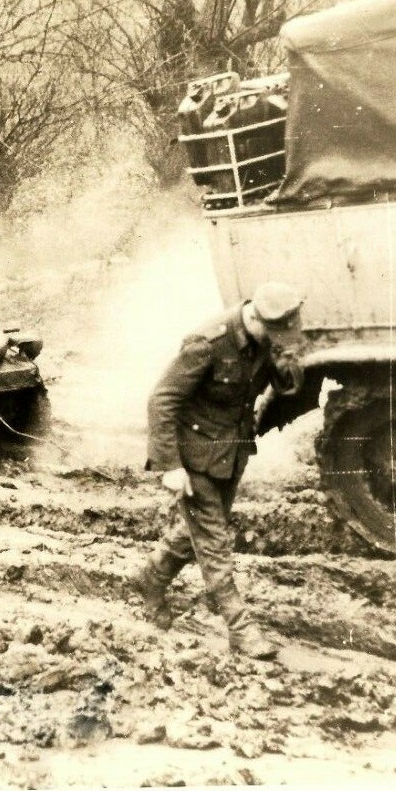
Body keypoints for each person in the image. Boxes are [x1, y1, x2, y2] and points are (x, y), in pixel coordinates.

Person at [134, 282, 306, 660]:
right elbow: (161, 400)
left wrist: (286, 363)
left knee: (199, 527)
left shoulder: (265, 338)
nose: (277, 341)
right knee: (215, 542)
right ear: (255, 317)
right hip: (193, 458)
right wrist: (171, 467)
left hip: (230, 454)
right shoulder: (207, 343)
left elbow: (285, 389)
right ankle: (240, 628)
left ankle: (153, 576)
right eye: (274, 335)